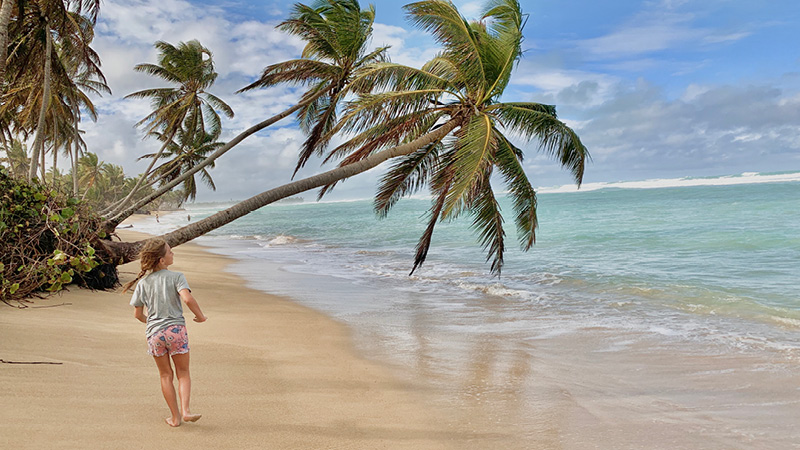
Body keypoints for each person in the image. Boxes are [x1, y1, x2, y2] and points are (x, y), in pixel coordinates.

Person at [122, 238, 208, 427]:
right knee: (183, 372)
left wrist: (152, 323)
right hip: (176, 331)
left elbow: (137, 314)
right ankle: (186, 411)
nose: (172, 254)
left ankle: (175, 418)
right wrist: (200, 316)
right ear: (161, 260)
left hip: (154, 334)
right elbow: (187, 299)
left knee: (165, 375)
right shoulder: (177, 277)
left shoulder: (144, 283)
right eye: (170, 252)